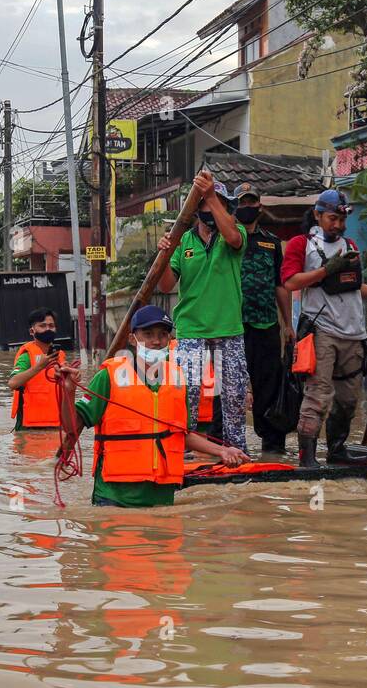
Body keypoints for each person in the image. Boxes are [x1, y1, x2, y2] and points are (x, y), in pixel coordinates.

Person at [56, 305, 247, 508]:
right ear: (132, 339)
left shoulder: (177, 379)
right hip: (115, 498)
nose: (156, 341)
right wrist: (68, 392)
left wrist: (222, 451)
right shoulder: (108, 377)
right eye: (148, 334)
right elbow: (71, 427)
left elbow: (181, 435)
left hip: (162, 498)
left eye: (163, 335)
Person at [281, 188, 367, 468]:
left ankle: (337, 449)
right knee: (318, 395)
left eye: (342, 220)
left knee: (348, 399)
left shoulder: (351, 246)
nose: (338, 225)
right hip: (321, 331)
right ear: (318, 215)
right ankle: (306, 457)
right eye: (333, 218)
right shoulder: (301, 244)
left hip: (353, 333)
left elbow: (355, 288)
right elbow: (290, 282)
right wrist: (325, 270)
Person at [156, 170, 248, 453]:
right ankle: (182, 450)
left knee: (234, 394)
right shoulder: (184, 241)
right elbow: (165, 284)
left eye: (218, 202)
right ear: (197, 210)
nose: (211, 208)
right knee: (188, 393)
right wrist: (162, 253)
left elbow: (233, 237)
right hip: (192, 327)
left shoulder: (235, 233)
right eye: (207, 203)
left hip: (229, 327)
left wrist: (210, 193)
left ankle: (237, 451)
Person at [232, 182, 294, 454]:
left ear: (260, 206)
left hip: (267, 324)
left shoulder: (271, 242)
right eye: (242, 203)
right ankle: (230, 444)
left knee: (268, 383)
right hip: (232, 326)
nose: (247, 207)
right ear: (234, 207)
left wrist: (288, 324)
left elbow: (280, 285)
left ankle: (272, 445)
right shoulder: (228, 240)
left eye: (251, 202)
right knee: (232, 385)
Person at [8, 307, 66, 429]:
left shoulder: (60, 356)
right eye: (43, 326)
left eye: (51, 325)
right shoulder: (27, 356)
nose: (48, 329)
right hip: (30, 427)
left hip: (57, 425)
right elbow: (13, 383)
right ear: (32, 331)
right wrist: (39, 367)